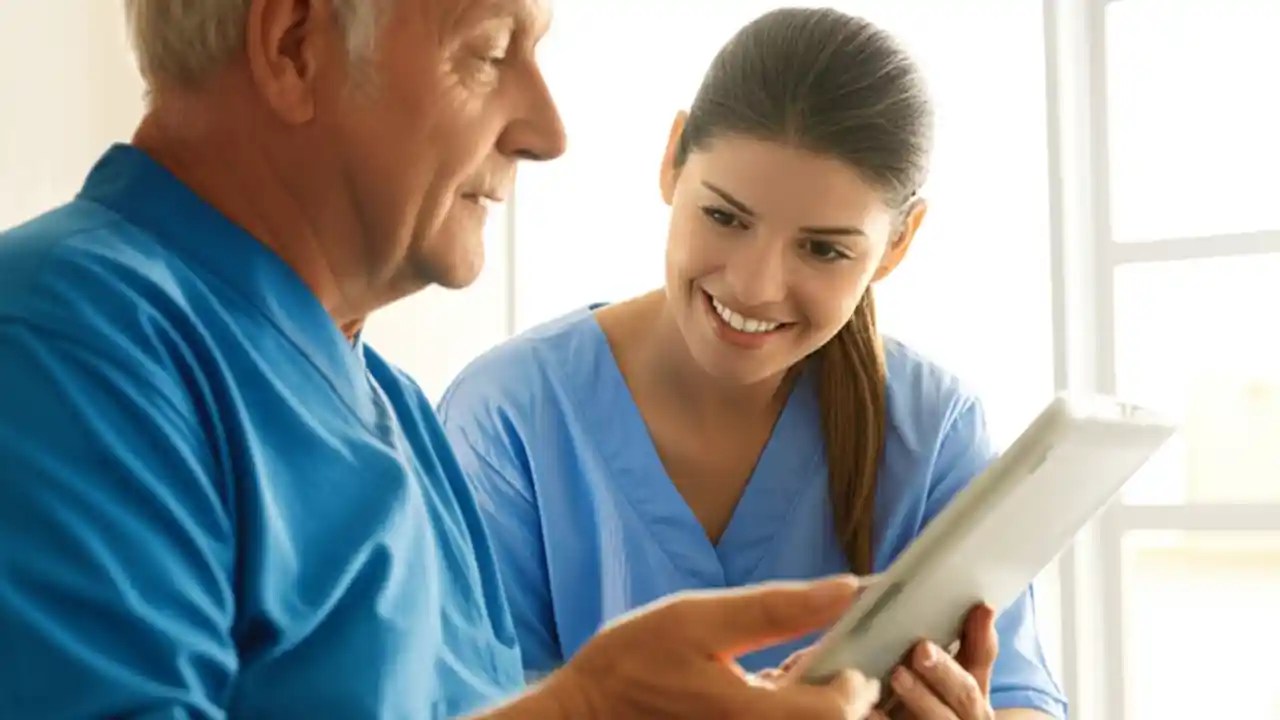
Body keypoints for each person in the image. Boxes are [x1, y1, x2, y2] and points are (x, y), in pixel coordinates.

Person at [0, 1, 886, 718]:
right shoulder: (61, 338)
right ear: (295, 45)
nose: (546, 131)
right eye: (491, 51)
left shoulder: (397, 412)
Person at [437, 7, 1068, 720]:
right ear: (673, 158)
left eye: (823, 249)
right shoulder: (510, 414)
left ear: (897, 244)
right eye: (726, 218)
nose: (754, 286)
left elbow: (1019, 697)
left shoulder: (933, 430)